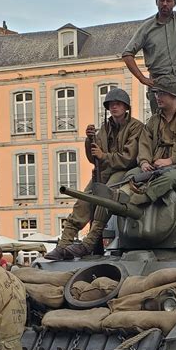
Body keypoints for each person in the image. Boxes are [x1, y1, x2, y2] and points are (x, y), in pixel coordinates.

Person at [45, 88, 144, 260]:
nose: (114, 107)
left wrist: (104, 156)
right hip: (104, 171)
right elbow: (94, 158)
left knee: (104, 201)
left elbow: (129, 158)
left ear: (126, 107)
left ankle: (89, 242)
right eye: (111, 105)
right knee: (83, 202)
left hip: (124, 171)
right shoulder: (105, 128)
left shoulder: (136, 127)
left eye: (118, 104)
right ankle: (64, 244)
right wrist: (89, 140)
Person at [122, 75, 176, 207]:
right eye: (156, 93)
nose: (157, 97)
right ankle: (121, 197)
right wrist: (144, 162)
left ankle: (141, 199)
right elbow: (145, 144)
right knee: (131, 175)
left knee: (169, 178)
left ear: (174, 95)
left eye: (162, 93)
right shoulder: (154, 121)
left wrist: (171, 160)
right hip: (155, 168)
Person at [122, 0, 176, 114]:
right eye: (161, 0)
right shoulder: (147, 27)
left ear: (175, 2)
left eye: (168, 0)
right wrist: (142, 79)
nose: (165, 3)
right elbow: (127, 54)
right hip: (158, 85)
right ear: (156, 2)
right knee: (160, 126)